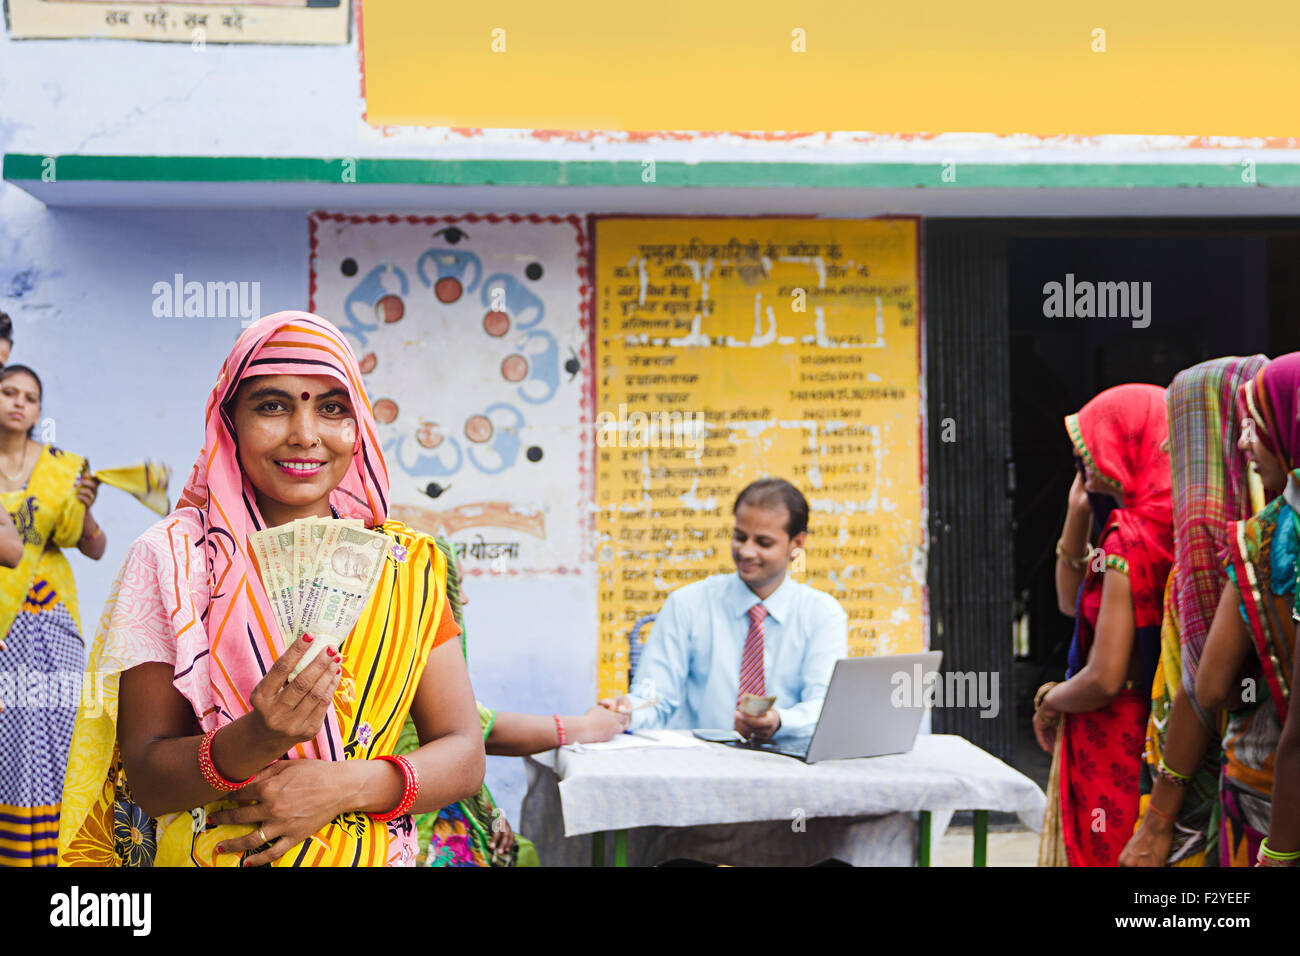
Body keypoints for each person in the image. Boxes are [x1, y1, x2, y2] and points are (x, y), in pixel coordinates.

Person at [57, 312, 484, 867]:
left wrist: (345, 786)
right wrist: (256, 738)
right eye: (272, 405)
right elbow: (148, 779)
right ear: (229, 421)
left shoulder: (406, 565)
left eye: (332, 408)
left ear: (359, 429)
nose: (305, 433)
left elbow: (464, 754)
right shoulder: (176, 560)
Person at [1117, 356, 1266, 867]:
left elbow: (1204, 681)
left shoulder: (1217, 536)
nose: (1164, 446)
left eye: (1178, 428)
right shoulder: (1271, 528)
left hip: (1216, 797)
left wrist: (1158, 820)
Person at [1035, 384, 1173, 866]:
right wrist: (1077, 513)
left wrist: (1049, 700)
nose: (1084, 460)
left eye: (1090, 450)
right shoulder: (1168, 522)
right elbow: (1071, 603)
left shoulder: (1128, 539)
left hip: (1115, 736)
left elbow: (1103, 679)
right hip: (1157, 733)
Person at [600, 478, 847, 743]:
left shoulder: (822, 614)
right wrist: (626, 712)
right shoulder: (687, 604)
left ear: (797, 544)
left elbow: (825, 706)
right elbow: (656, 699)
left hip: (789, 766)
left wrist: (780, 721)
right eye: (740, 537)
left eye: (764, 542)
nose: (747, 551)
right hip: (698, 765)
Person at [1194, 353, 1300, 866]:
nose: (1242, 444)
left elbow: (1211, 687)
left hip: (1267, 804)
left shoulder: (1264, 539)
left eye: (1255, 428)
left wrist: (1278, 856)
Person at [0, 364, 106, 866]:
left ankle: (61, 861)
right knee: (12, 745)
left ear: (40, 411)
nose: (20, 403)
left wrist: (85, 511)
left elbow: (95, 547)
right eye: (8, 392)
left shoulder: (60, 467)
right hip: (4, 623)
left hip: (53, 618)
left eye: (31, 398)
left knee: (62, 738)